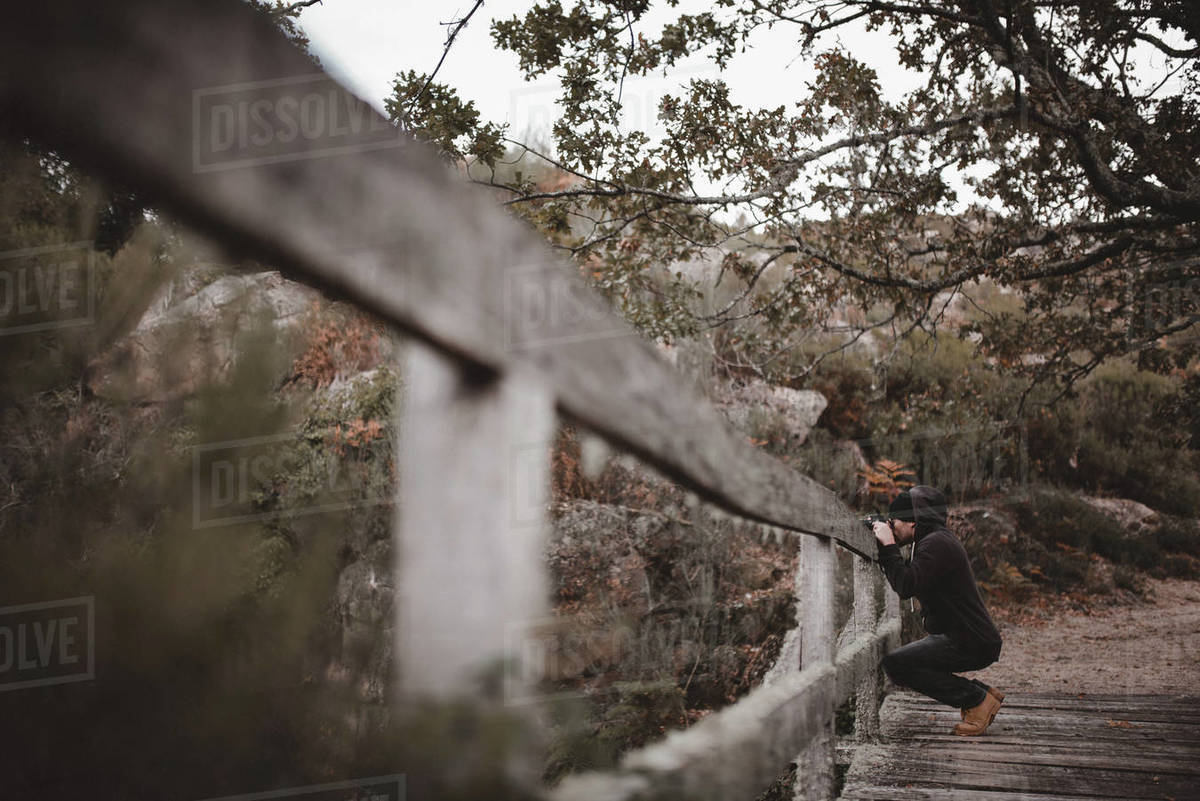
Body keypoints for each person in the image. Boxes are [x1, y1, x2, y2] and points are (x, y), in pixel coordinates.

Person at [872, 485, 1004, 736]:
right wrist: (887, 547)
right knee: (902, 661)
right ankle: (982, 696)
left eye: (894, 521)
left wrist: (888, 546)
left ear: (912, 523)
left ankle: (976, 700)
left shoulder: (935, 545)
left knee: (896, 665)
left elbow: (905, 585)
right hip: (964, 635)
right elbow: (907, 579)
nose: (891, 526)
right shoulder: (935, 540)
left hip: (969, 640)